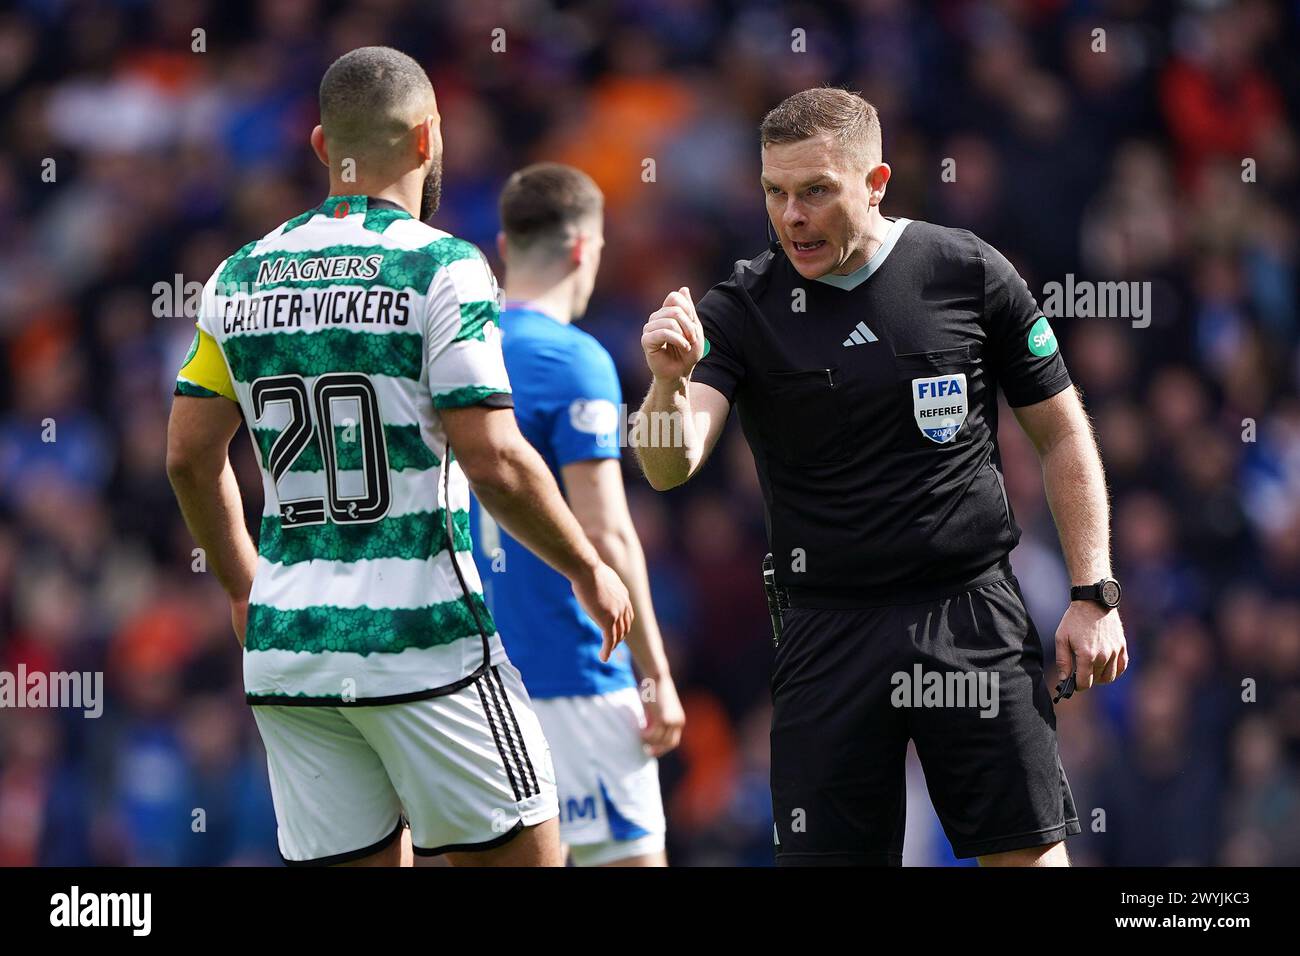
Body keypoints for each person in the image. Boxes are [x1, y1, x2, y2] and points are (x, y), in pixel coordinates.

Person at [633, 87, 1128, 867]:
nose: (791, 216)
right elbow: (669, 464)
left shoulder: (966, 271)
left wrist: (1092, 590)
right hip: (826, 630)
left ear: (877, 182)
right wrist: (665, 382)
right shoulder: (741, 305)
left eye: (816, 191)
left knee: (1028, 859)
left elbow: (1062, 433)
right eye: (775, 192)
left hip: (969, 614)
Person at [166, 46, 632, 867]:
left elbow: (186, 458)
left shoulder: (237, 277)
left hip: (290, 652)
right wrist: (588, 566)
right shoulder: (443, 267)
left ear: (321, 146)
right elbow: (494, 459)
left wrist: (246, 586)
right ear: (428, 140)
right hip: (424, 645)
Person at [469, 163, 684, 867]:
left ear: (505, 245)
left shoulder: (455, 352)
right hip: (573, 670)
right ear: (584, 249)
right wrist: (653, 675)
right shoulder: (572, 360)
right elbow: (607, 532)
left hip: (474, 687)